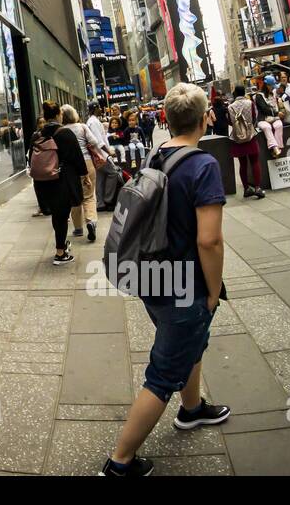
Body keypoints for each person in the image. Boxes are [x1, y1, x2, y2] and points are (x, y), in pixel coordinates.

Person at [102, 83, 230, 476]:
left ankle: (191, 410)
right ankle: (120, 462)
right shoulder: (203, 165)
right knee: (162, 374)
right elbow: (208, 240)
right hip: (185, 284)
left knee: (191, 343)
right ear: (206, 117)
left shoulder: (156, 155)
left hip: (153, 277)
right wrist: (212, 291)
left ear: (166, 119)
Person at [29, 101, 85, 266]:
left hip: (42, 181)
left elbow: (31, 156)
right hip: (62, 180)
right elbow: (77, 158)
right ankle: (60, 253)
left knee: (57, 215)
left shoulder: (37, 135)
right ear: (58, 114)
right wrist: (84, 176)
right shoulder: (65, 133)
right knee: (62, 216)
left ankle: (61, 246)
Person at [62, 105, 100, 242]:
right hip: (87, 163)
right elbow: (94, 142)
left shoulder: (61, 131)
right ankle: (90, 221)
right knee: (89, 196)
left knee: (74, 197)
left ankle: (78, 228)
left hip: (70, 167)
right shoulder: (82, 127)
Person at [227, 84, 265, 199]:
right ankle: (258, 188)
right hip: (250, 136)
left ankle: (246, 188)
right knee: (255, 162)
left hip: (237, 138)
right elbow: (254, 118)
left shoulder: (230, 107)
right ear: (244, 92)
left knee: (242, 164)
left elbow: (229, 122)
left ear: (235, 93)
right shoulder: (250, 103)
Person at [252, 79, 285, 158]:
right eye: (272, 86)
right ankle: (274, 148)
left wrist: (281, 106)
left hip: (275, 118)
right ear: (267, 85)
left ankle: (278, 148)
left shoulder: (273, 94)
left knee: (279, 125)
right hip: (262, 119)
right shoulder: (259, 95)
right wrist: (277, 113)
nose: (273, 88)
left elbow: (278, 106)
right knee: (267, 127)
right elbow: (264, 108)